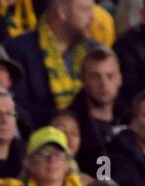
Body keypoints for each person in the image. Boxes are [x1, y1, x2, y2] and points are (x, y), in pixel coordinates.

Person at [5, 0, 99, 131]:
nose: (93, 17)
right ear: (62, 12)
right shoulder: (19, 50)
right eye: (85, 10)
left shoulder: (94, 52)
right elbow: (20, 109)